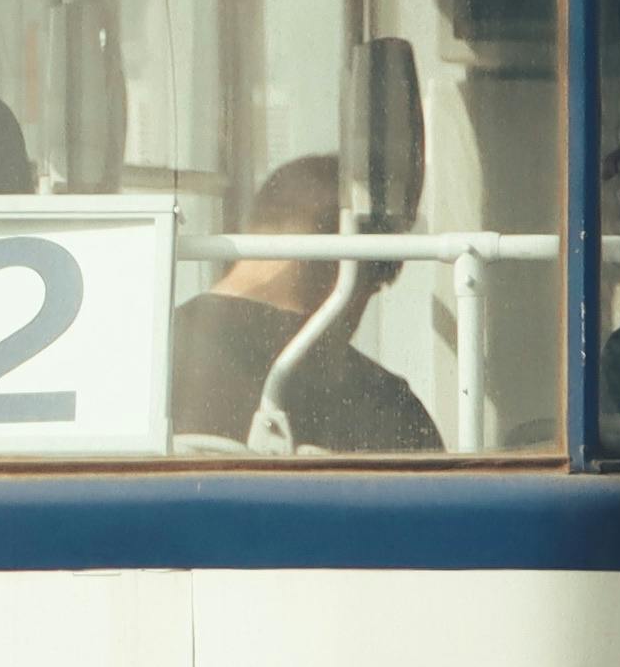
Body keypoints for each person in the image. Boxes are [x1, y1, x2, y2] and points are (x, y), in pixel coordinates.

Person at [169, 155, 438, 454]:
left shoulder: (142, 358)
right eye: (374, 287)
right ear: (349, 272)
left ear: (252, 227)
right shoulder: (385, 408)